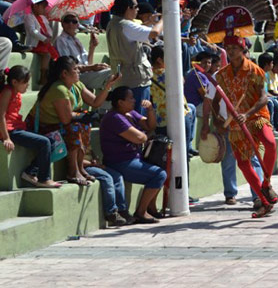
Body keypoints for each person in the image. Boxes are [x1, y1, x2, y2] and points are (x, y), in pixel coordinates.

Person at [213, 36, 277, 218]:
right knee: (242, 163)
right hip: (236, 124)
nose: (231, 50)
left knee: (271, 143)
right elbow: (216, 101)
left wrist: (247, 114)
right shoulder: (222, 75)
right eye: (228, 47)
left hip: (256, 117)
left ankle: (266, 183)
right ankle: (263, 201)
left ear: (242, 49)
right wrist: (217, 119)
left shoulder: (254, 69)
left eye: (235, 47)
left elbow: (264, 97)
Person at [36, 56, 120, 186]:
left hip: (62, 123)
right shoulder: (59, 89)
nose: (78, 72)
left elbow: (95, 102)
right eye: (75, 69)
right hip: (45, 126)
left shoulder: (77, 85)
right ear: (64, 73)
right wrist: (81, 115)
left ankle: (80, 167)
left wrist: (108, 86)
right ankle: (72, 170)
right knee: (74, 126)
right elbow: (66, 119)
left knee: (85, 124)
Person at [99, 86, 165, 224]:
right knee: (159, 174)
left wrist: (150, 110)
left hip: (133, 158)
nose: (134, 101)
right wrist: (145, 136)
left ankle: (150, 208)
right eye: (130, 98)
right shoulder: (114, 117)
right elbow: (140, 138)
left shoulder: (130, 113)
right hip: (120, 162)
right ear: (120, 102)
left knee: (164, 166)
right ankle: (141, 212)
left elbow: (150, 126)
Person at [0, 66, 61, 188]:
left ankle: (30, 172)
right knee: (44, 142)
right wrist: (6, 138)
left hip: (18, 127)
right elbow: (1, 115)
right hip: (10, 131)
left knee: (53, 141)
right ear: (14, 82)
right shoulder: (7, 92)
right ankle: (44, 179)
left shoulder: (17, 92)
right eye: (25, 83)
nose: (27, 85)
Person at [106, 0, 162, 112]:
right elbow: (155, 33)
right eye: (136, 7)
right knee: (139, 117)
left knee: (129, 116)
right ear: (128, 8)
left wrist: (148, 22)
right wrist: (164, 18)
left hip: (123, 77)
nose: (138, 10)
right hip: (136, 81)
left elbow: (132, 31)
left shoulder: (113, 23)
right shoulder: (126, 26)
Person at [149, 47, 197, 157]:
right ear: (160, 60)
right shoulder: (170, 73)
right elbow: (182, 82)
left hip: (160, 119)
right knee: (182, 156)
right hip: (179, 116)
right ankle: (188, 147)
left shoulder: (148, 73)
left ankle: (188, 146)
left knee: (192, 107)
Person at [55, 14, 112, 91]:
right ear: (62, 24)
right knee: (113, 73)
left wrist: (92, 47)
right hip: (75, 76)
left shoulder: (76, 40)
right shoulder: (61, 40)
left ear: (78, 25)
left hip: (86, 74)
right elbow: (68, 67)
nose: (70, 24)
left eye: (74, 21)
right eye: (67, 21)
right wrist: (92, 67)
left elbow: (88, 64)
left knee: (116, 71)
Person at [23, 0, 58, 84]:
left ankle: (51, 74)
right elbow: (32, 31)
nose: (44, 9)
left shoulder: (43, 17)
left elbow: (48, 28)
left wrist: (49, 35)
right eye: (43, 7)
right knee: (47, 54)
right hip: (35, 43)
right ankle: (43, 75)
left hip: (44, 42)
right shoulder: (29, 17)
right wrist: (44, 38)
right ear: (35, 6)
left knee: (55, 54)